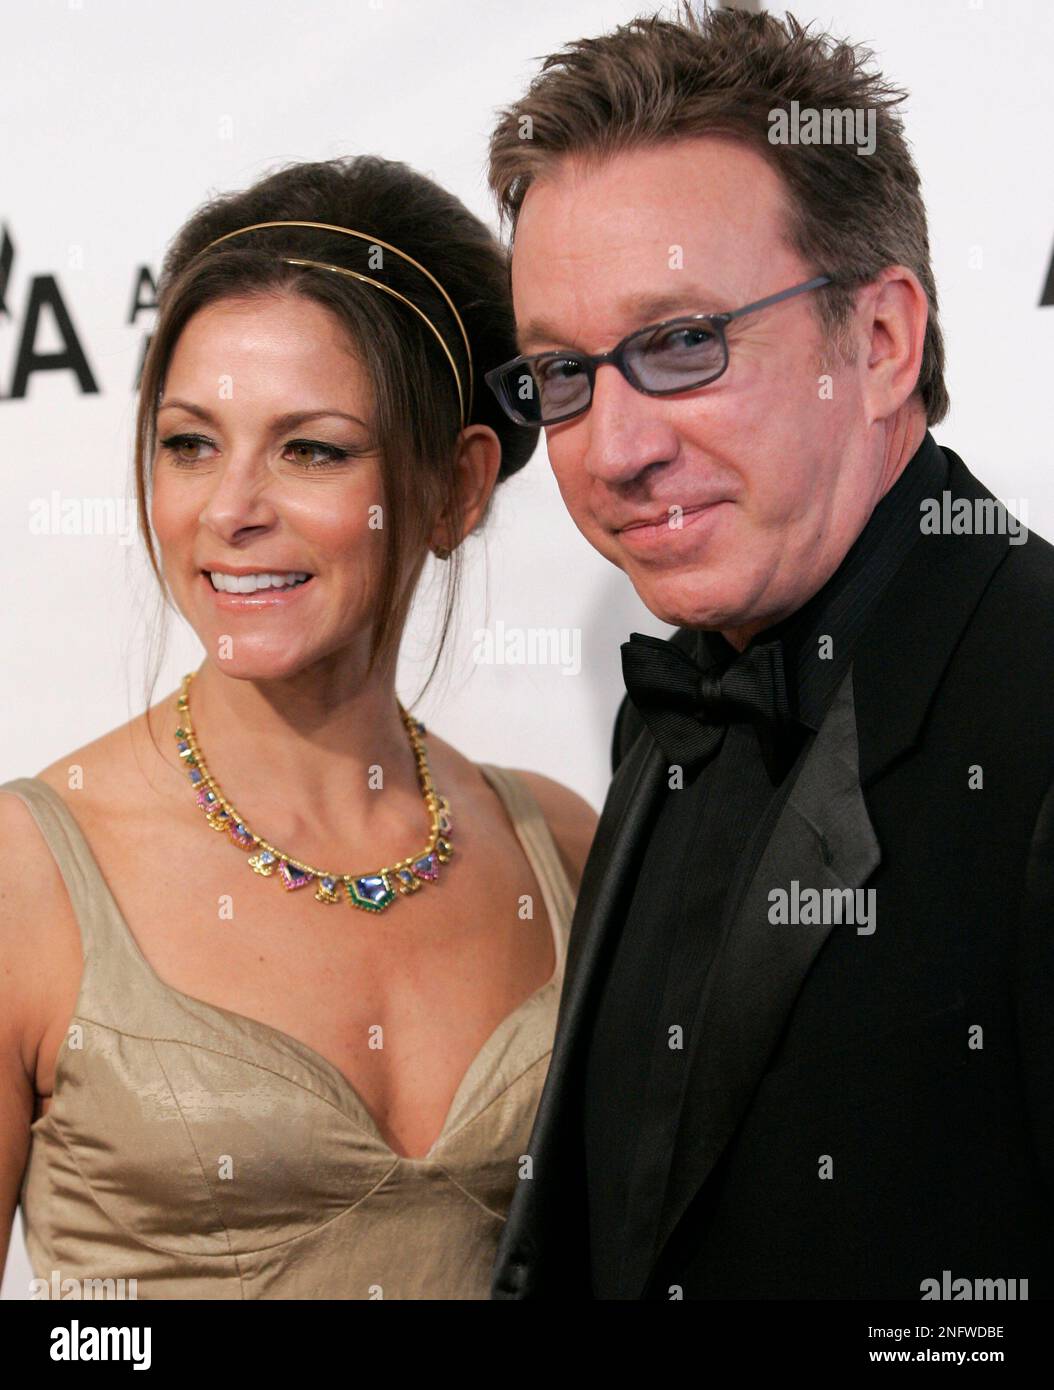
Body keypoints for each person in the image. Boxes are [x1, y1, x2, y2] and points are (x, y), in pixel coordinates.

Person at [483, 5, 1054, 1299]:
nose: (614, 447)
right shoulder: (677, 697)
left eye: (682, 342)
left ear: (877, 340)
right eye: (561, 373)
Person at [0, 154, 597, 1300]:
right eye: (189, 443)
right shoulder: (29, 877)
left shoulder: (561, 849)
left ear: (456, 488)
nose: (230, 509)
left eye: (311, 448)